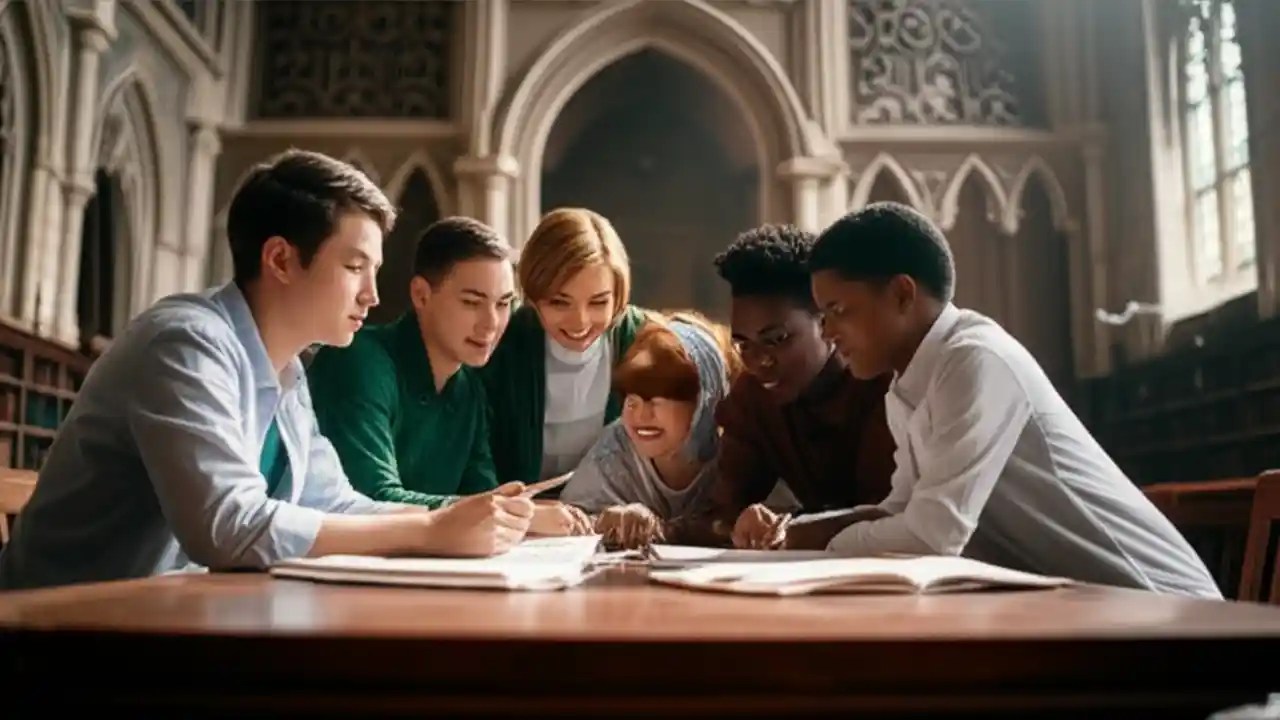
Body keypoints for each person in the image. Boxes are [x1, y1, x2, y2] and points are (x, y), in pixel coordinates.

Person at [0, 150, 533, 591]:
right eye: (354, 268)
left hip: (159, 620)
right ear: (280, 259)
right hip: (54, 634)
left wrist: (459, 518)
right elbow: (227, 527)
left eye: (374, 272)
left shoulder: (287, 371)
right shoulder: (186, 343)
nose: (372, 296)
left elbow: (334, 502)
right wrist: (429, 530)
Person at [807, 201, 1221, 599]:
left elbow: (930, 536)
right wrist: (797, 531)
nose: (826, 331)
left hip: (1163, 609)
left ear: (901, 294)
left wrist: (823, 542)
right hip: (1084, 608)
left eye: (838, 309)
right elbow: (901, 510)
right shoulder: (907, 386)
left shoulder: (974, 357)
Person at [307, 217, 589, 535]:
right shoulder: (359, 361)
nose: (491, 324)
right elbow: (370, 499)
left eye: (504, 304)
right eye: (472, 303)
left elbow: (482, 497)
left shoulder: (468, 388)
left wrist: (516, 509)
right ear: (421, 295)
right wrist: (513, 514)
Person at [700, 224, 897, 550]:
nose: (758, 361)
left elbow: (888, 516)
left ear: (825, 323)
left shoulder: (882, 385)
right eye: (743, 345)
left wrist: (793, 526)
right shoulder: (752, 397)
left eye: (776, 339)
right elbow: (721, 513)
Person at [481, 208, 649, 489]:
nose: (580, 322)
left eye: (598, 303)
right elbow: (478, 462)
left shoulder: (641, 341)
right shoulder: (502, 343)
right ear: (534, 296)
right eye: (559, 302)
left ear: (618, 296)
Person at [560, 311, 740, 549]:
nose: (641, 416)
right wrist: (605, 523)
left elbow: (775, 518)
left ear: (704, 402)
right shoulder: (613, 456)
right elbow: (567, 525)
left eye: (657, 399)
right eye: (632, 400)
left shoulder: (740, 450)